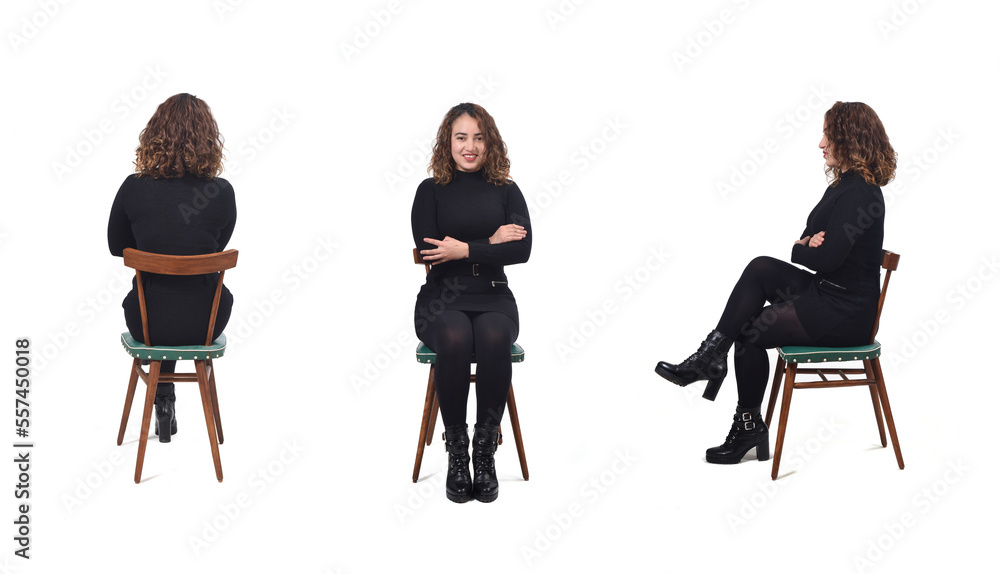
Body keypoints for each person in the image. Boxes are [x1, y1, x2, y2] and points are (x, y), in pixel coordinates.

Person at [655, 101, 896, 464]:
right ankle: (711, 357)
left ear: (848, 139)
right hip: (829, 294)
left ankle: (745, 421)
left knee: (750, 332)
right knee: (762, 268)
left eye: (827, 136)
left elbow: (825, 258)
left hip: (846, 312)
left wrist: (806, 249)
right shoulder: (844, 185)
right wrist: (808, 244)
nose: (820, 144)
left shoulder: (861, 192)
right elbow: (807, 236)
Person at [411, 103, 531, 503]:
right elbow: (430, 250)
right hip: (441, 299)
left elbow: (524, 250)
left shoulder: (506, 190)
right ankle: (457, 451)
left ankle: (485, 452)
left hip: (495, 293)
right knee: (456, 335)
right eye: (461, 137)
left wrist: (462, 248)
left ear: (490, 142)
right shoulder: (430, 191)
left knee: (495, 334)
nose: (470, 146)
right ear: (448, 142)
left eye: (479, 138)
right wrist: (488, 244)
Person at [108, 93, 236, 443]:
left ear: (155, 136)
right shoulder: (221, 192)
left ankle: (162, 398)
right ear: (209, 140)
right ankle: (165, 399)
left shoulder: (134, 189)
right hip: (205, 322)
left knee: (157, 300)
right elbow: (215, 250)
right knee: (189, 298)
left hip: (147, 321)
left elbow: (115, 246)